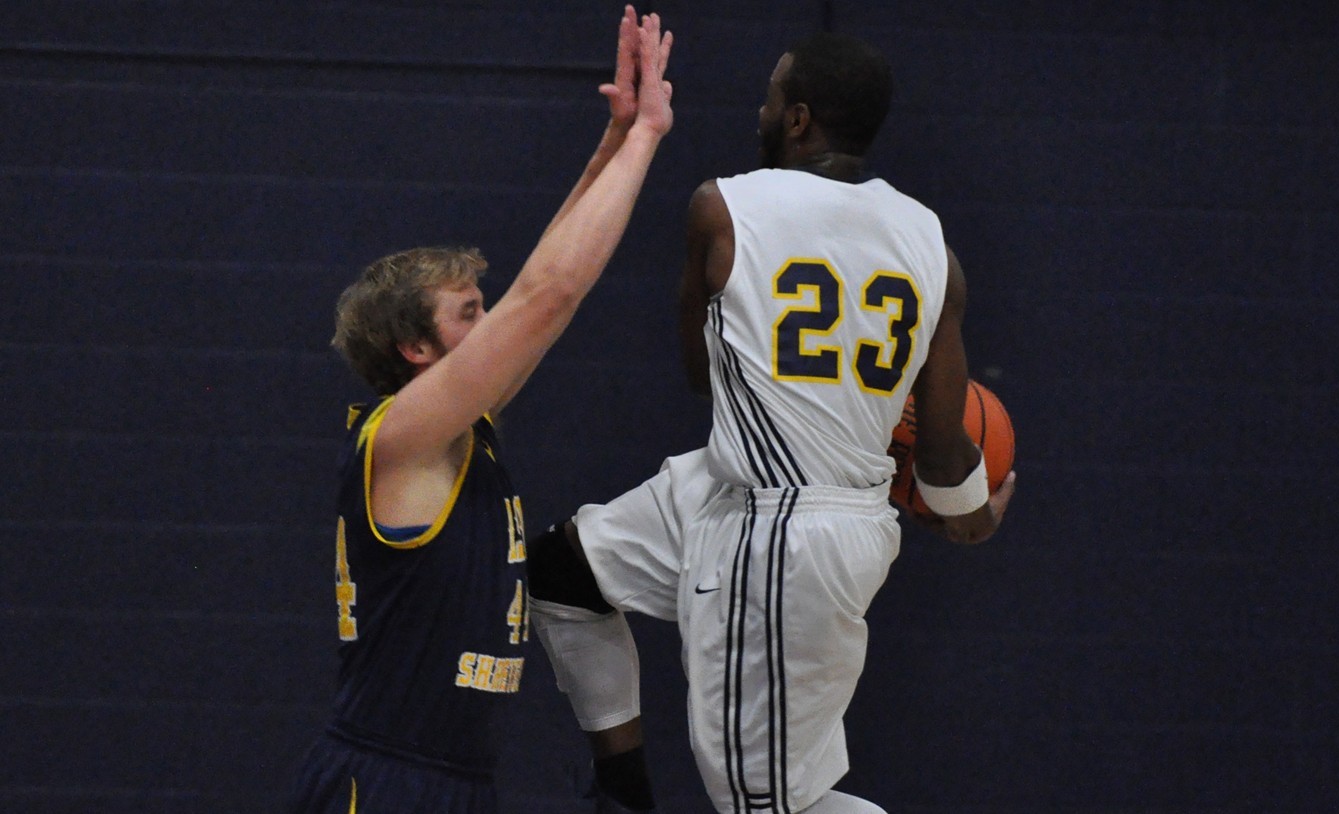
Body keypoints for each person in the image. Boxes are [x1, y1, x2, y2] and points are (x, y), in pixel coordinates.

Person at [526, 32, 1016, 814]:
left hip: (782, 528)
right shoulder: (933, 244)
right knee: (559, 572)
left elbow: (699, 372)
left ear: (796, 120)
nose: (756, 108)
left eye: (768, 96)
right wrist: (967, 519)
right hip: (745, 491)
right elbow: (948, 445)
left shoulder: (722, 206)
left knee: (766, 808)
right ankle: (622, 793)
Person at [287, 8, 674, 813]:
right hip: (385, 781)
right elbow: (549, 294)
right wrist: (646, 142)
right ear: (416, 351)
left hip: (454, 783)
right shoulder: (403, 437)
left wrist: (613, 138)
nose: (488, 322)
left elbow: (544, 282)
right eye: (468, 313)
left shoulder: (466, 427)